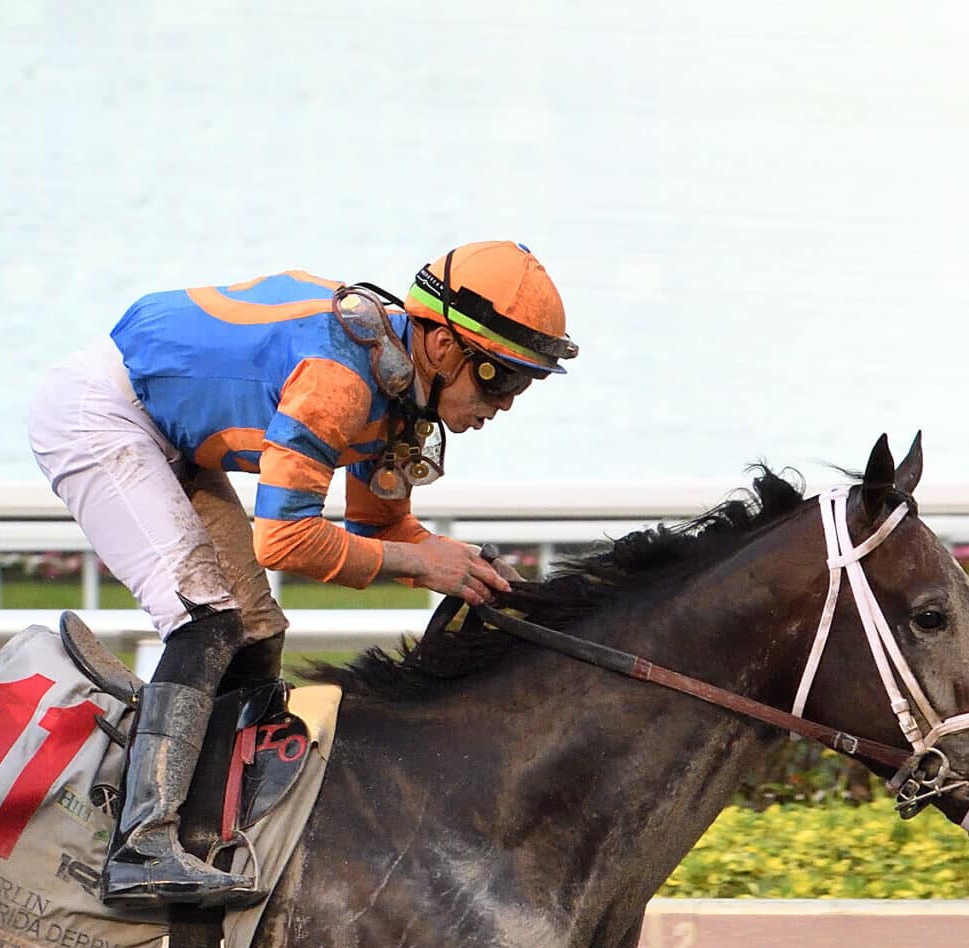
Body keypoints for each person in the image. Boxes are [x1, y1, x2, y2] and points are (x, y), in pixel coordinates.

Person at [30, 243, 575, 907]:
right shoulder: (340, 381)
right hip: (103, 415)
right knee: (206, 623)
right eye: (501, 379)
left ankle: (217, 828)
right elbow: (284, 539)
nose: (507, 404)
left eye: (523, 385)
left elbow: (382, 531)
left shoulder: (400, 384)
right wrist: (421, 562)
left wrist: (463, 568)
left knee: (257, 633)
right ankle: (140, 848)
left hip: (171, 427)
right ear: (441, 345)